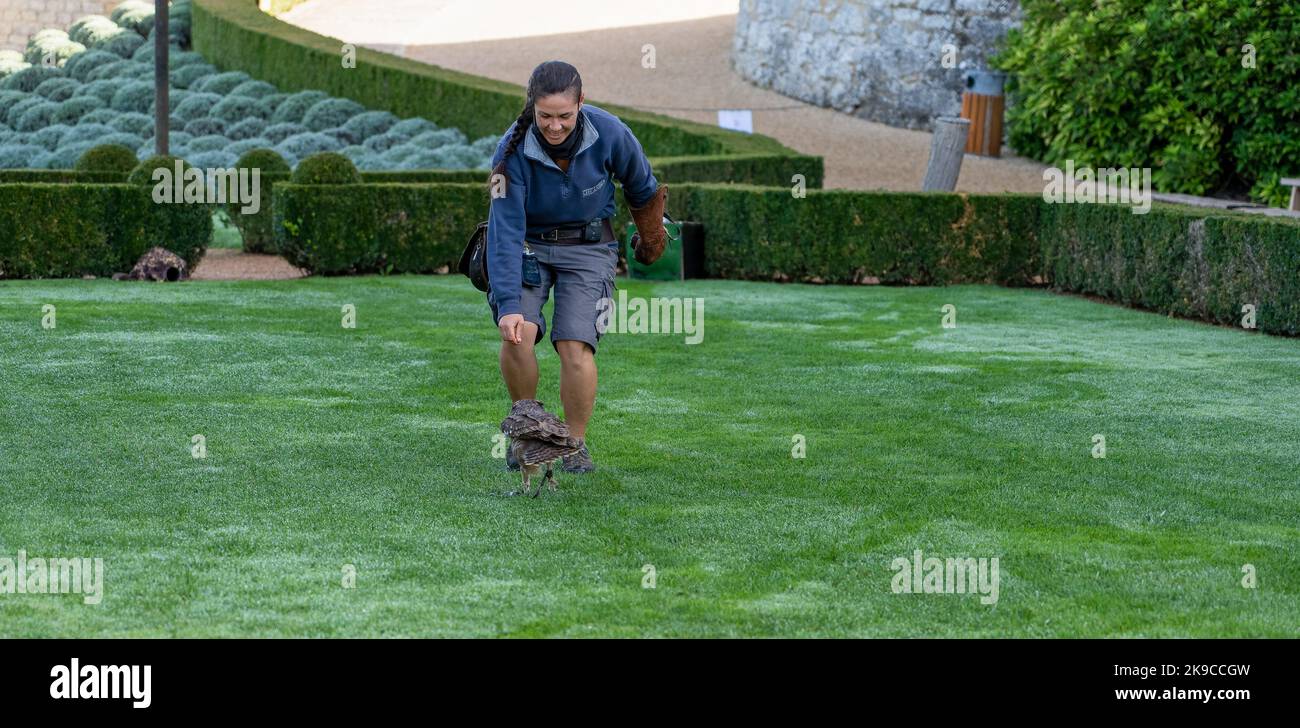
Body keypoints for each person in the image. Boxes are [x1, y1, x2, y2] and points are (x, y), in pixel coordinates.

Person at [486, 60, 668, 473]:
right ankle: (529, 432)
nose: (554, 126)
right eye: (545, 115)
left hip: (589, 248)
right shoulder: (510, 151)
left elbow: (643, 188)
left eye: (565, 116)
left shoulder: (611, 132)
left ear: (581, 104)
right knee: (518, 334)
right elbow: (505, 229)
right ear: (531, 106)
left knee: (575, 347)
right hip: (528, 246)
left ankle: (572, 441)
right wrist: (509, 303)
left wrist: (652, 237)